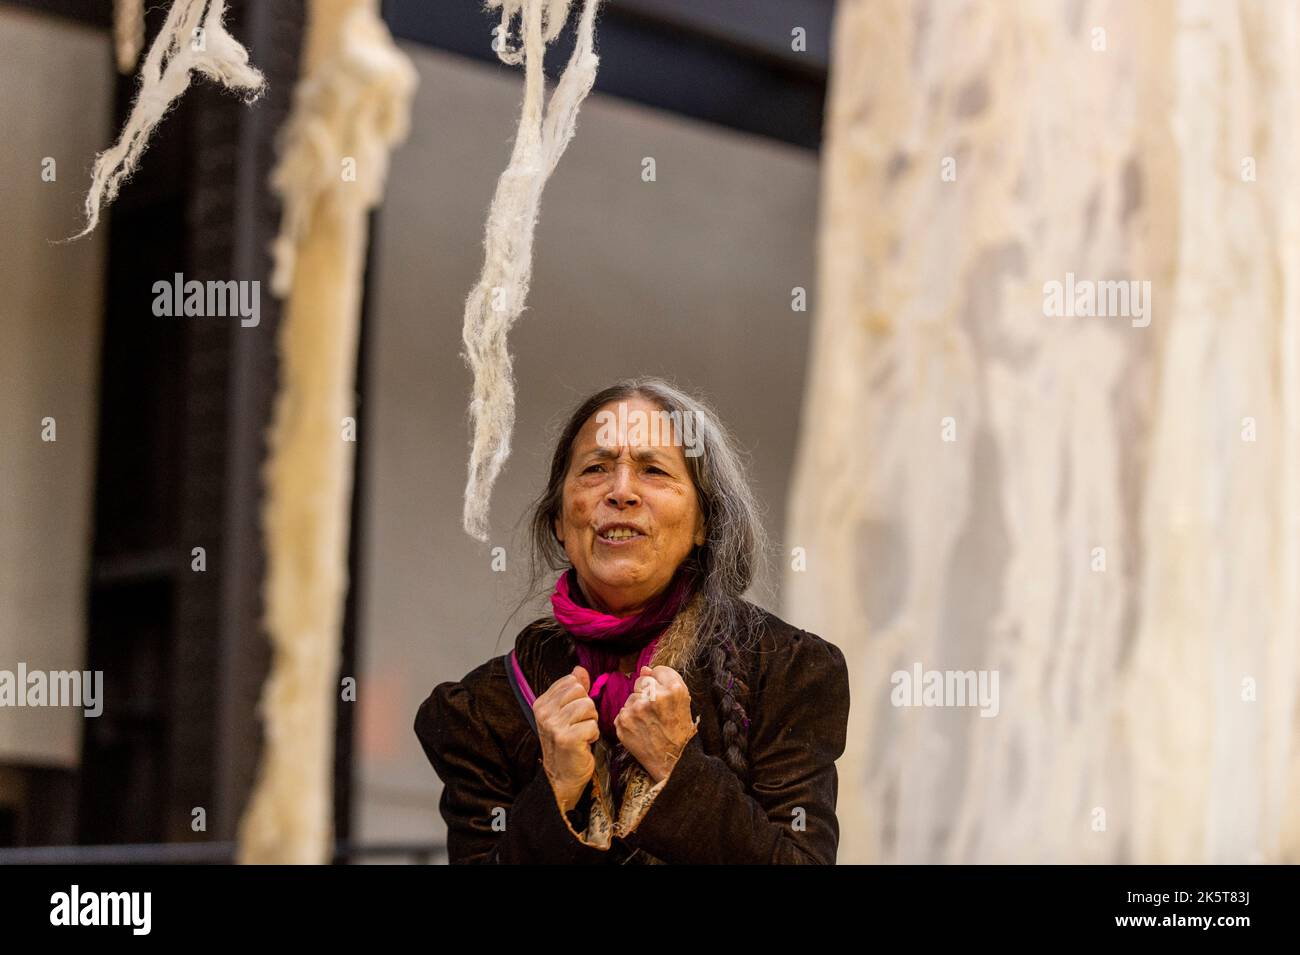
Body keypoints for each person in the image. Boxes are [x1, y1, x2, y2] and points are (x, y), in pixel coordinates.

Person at [414, 377, 850, 863]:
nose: (621, 492)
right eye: (596, 469)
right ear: (559, 520)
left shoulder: (788, 672)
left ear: (706, 520)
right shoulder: (480, 709)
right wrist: (557, 790)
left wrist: (676, 768)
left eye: (653, 471)